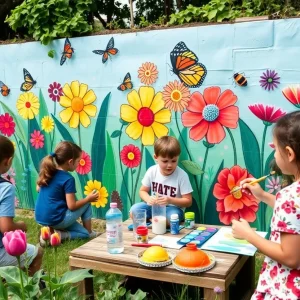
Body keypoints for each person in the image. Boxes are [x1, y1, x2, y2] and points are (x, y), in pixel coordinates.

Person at [232, 111, 300, 299]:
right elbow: (295, 215)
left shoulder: (290, 196)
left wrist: (248, 235)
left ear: (289, 154)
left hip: (286, 288)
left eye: (276, 149)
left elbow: (290, 257)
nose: (274, 155)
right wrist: (262, 195)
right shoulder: (292, 196)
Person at [35, 141, 99, 244]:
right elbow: (72, 206)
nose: (79, 164)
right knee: (84, 232)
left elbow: (38, 189)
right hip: (56, 219)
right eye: (78, 161)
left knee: (80, 231)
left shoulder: (48, 171)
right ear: (70, 162)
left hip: (40, 217)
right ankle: (63, 234)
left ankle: (47, 233)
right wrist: (88, 199)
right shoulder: (68, 179)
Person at [0, 135, 43, 275]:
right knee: (37, 252)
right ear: (9, 161)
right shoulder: (5, 187)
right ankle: (28, 291)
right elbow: (6, 227)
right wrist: (21, 225)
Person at [130, 136, 193, 223]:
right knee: (133, 211)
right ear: (156, 157)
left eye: (174, 161)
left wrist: (170, 200)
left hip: (172, 209)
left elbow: (188, 201)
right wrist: (148, 199)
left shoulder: (182, 175)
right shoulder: (152, 171)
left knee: (172, 218)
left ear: (178, 157)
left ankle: (154, 222)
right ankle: (156, 222)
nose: (170, 165)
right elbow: (142, 191)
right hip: (154, 206)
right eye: (165, 161)